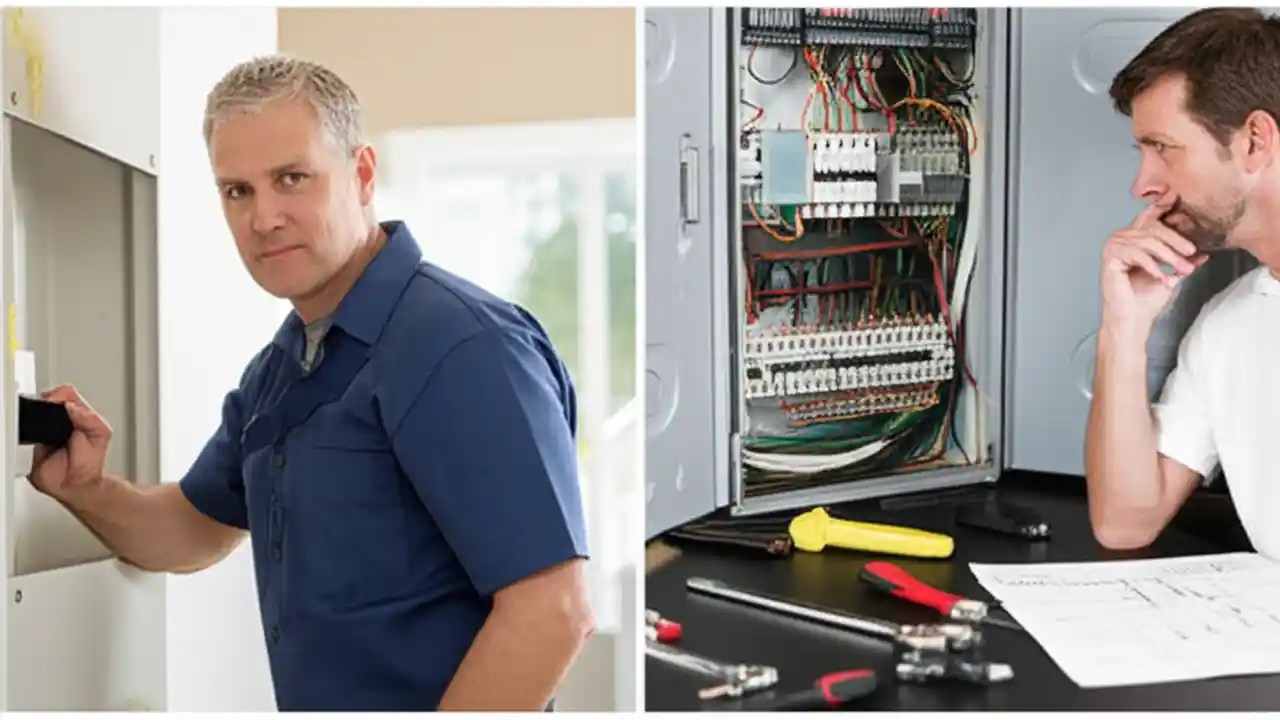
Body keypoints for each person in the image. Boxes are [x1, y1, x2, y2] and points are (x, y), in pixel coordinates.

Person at [25, 54, 593, 710]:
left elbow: (551, 611)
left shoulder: (460, 345)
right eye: (237, 191)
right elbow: (192, 527)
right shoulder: (282, 368)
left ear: (362, 174)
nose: (263, 218)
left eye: (291, 178)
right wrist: (87, 488)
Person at [1085, 8, 1280, 557]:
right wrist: (1122, 331)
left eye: (1163, 148)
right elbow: (1125, 521)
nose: (1143, 185)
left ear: (1254, 141)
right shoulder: (1228, 325)